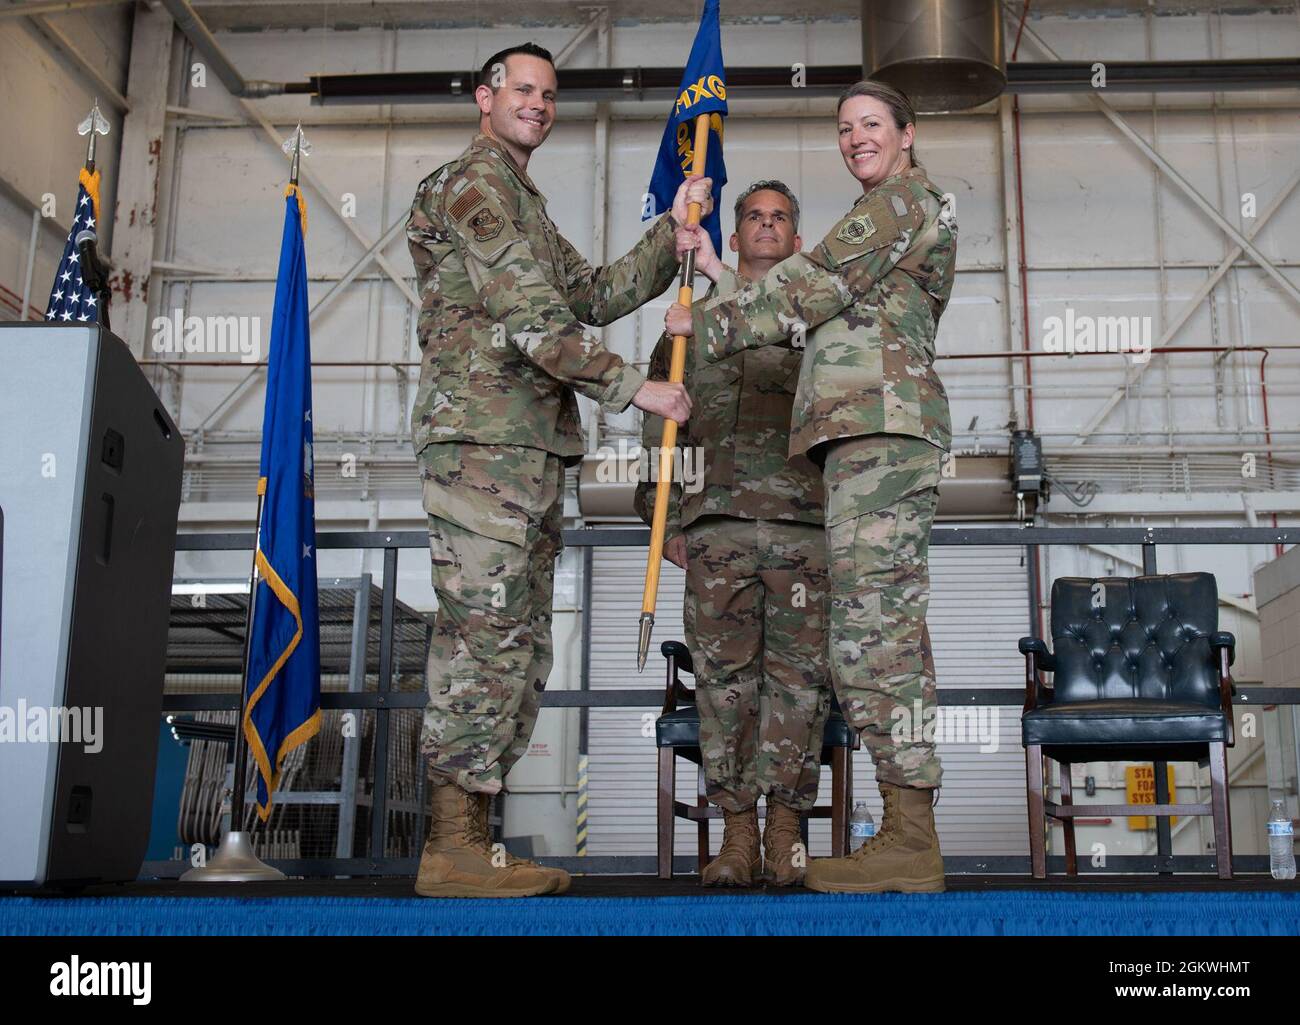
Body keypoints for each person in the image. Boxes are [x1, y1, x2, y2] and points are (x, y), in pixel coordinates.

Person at [406, 41, 709, 898]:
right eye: (522, 89)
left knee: (523, 639)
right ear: (484, 97)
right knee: (485, 630)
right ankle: (450, 844)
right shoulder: (468, 187)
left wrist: (671, 235)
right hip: (480, 440)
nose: (537, 103)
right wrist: (632, 386)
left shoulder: (521, 200)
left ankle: (475, 840)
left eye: (548, 93)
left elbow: (590, 291)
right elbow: (534, 318)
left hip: (530, 442)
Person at [667, 79, 957, 893]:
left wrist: (709, 318)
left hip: (882, 434)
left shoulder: (899, 203)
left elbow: (815, 283)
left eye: (871, 124)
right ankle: (905, 831)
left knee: (880, 634)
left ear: (906, 132)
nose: (856, 137)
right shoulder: (891, 209)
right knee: (869, 634)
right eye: (844, 128)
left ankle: (909, 833)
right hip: (858, 444)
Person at [635, 181, 831, 887]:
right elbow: (661, 421)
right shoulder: (688, 323)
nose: (768, 225)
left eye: (781, 216)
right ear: (736, 231)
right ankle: (738, 836)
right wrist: (658, 513)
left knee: (799, 685)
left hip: (805, 525)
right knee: (723, 685)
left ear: (798, 240)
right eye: (755, 215)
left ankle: (786, 832)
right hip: (713, 526)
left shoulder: (822, 316)